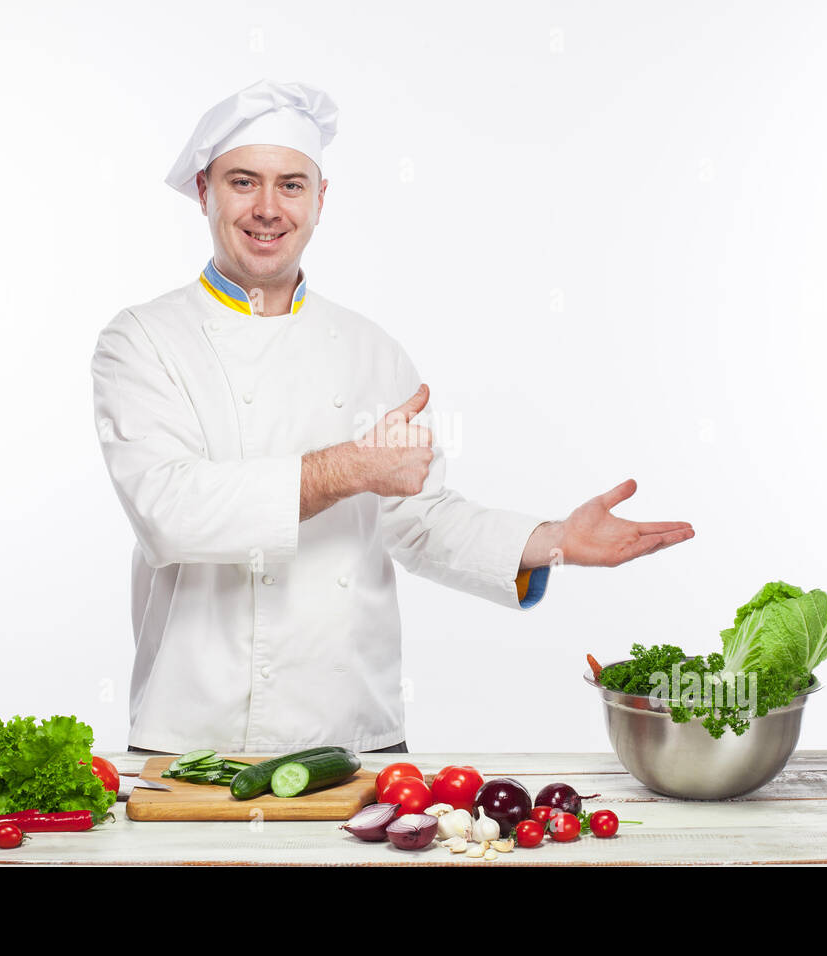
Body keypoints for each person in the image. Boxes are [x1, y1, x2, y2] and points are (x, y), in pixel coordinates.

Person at [91, 78, 695, 756]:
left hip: (350, 736)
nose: (267, 208)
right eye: (242, 182)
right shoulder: (141, 340)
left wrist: (550, 539)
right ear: (204, 192)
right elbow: (170, 511)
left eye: (292, 184)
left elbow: (419, 523)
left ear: (321, 200)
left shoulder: (372, 350)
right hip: (188, 734)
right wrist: (348, 468)